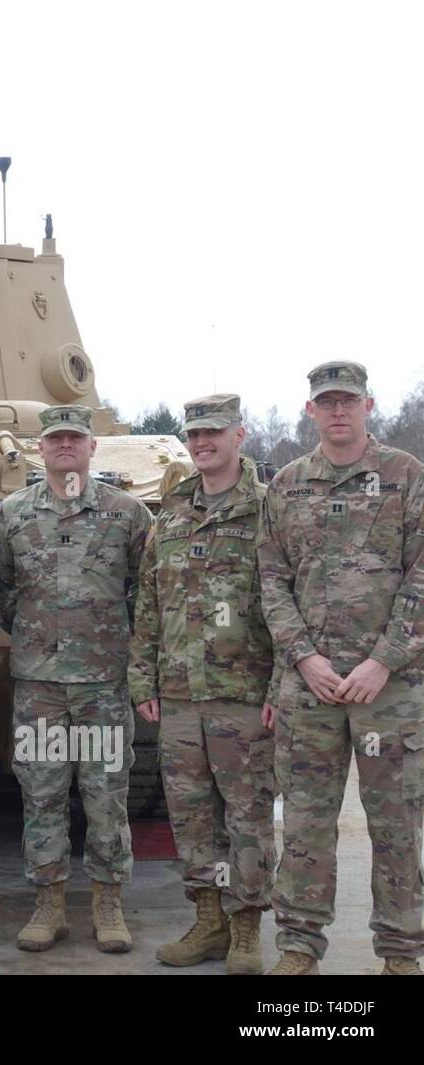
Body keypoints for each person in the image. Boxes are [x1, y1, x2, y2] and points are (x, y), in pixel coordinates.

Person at [258, 360, 424, 976]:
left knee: (396, 823)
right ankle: (299, 946)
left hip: (391, 688)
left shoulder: (407, 477)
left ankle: (401, 954)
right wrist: (303, 657)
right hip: (311, 687)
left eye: (347, 401)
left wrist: (383, 661)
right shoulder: (289, 485)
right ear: (310, 411)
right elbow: (271, 578)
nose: (337, 411)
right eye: (326, 402)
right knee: (304, 821)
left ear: (368, 406)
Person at [0, 404, 152, 953]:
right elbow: (1, 590)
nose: (64, 447)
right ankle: (49, 902)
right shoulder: (11, 515)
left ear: (91, 447)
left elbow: (143, 593)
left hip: (103, 683)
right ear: (41, 448)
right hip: (39, 685)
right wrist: (38, 636)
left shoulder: (127, 515)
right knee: (42, 793)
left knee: (107, 794)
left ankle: (107, 902)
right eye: (55, 438)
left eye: (74, 438)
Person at [128, 394, 276, 975]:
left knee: (247, 816)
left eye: (213, 432)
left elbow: (289, 605)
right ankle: (209, 920)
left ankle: (246, 929)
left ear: (239, 434)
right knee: (191, 818)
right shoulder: (169, 517)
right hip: (181, 695)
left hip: (246, 695)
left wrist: (283, 688)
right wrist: (143, 676)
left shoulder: (268, 511)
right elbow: (148, 605)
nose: (201, 443)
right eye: (193, 435)